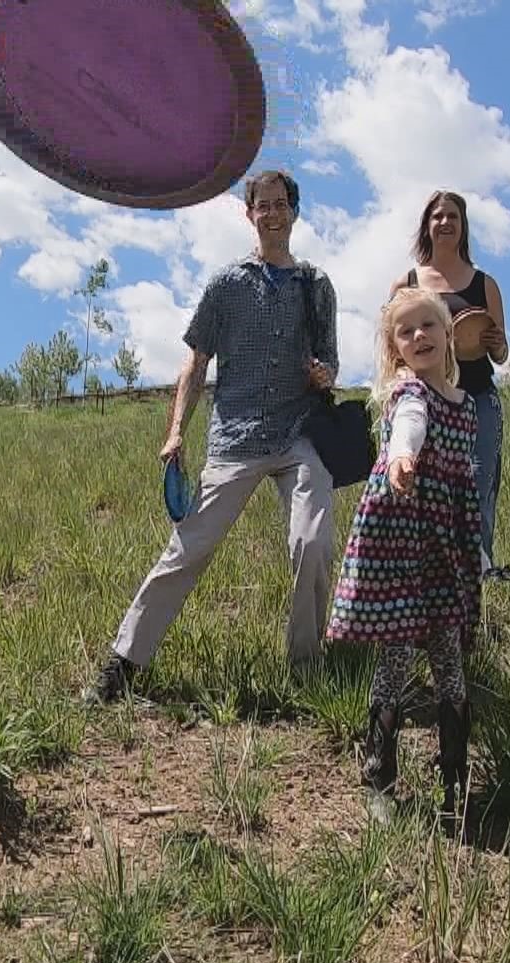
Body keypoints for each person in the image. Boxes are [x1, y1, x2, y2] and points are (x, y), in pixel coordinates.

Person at [87, 168, 339, 704]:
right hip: (235, 439)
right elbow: (196, 362)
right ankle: (124, 663)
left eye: (279, 204)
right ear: (249, 215)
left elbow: (331, 362)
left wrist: (323, 374)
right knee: (188, 549)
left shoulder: (316, 286)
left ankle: (307, 665)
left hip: (299, 436)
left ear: (294, 212)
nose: (271, 213)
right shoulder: (227, 284)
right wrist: (176, 431)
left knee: (313, 543)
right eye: (261, 206)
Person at [326, 287, 483, 816]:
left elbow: (468, 482)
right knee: (394, 653)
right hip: (400, 542)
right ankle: (379, 775)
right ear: (395, 349)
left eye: (429, 326)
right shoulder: (406, 393)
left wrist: (475, 555)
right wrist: (400, 458)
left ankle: (455, 778)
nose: (419, 336)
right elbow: (409, 428)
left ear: (448, 335)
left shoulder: (467, 407)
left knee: (448, 657)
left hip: (445, 549)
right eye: (406, 331)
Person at [390, 190, 510, 581]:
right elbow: (392, 344)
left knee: (478, 483)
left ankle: (477, 575)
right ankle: (421, 573)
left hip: (477, 398)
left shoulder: (484, 284)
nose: (445, 223)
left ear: (463, 228)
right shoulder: (408, 282)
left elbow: (500, 354)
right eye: (437, 216)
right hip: (424, 400)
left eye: (453, 217)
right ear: (426, 226)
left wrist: (498, 344)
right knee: (423, 483)